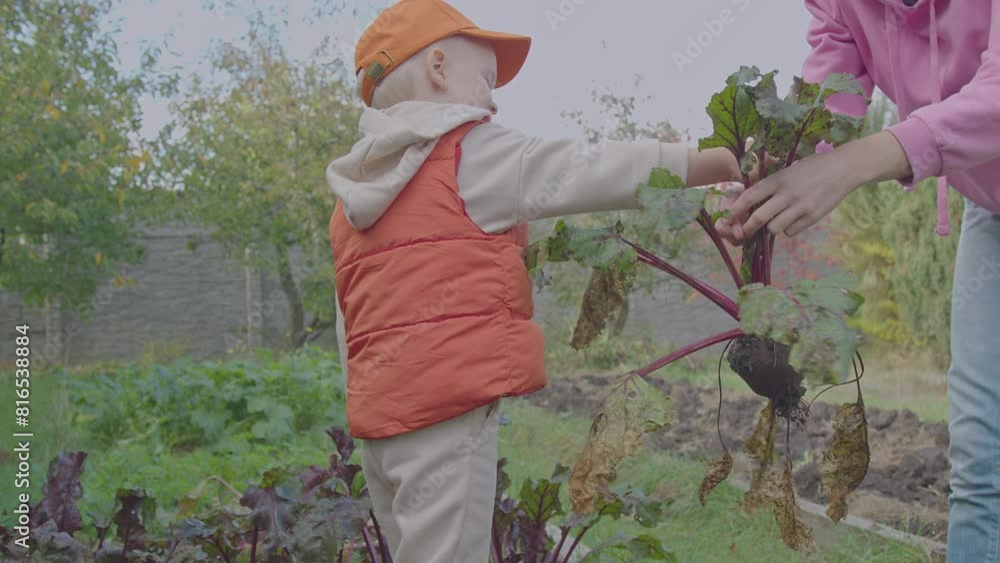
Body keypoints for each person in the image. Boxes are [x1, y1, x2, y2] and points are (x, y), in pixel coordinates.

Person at [325, 1, 756, 561]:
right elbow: (601, 169)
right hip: (448, 419)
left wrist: (367, 409)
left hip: (379, 426)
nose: (494, 98)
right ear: (436, 68)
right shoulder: (468, 154)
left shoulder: (351, 203)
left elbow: (349, 326)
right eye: (484, 79)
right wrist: (722, 160)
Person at [717, 1, 999, 560]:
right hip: (992, 210)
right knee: (980, 452)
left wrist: (854, 164)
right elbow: (827, 107)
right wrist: (769, 172)